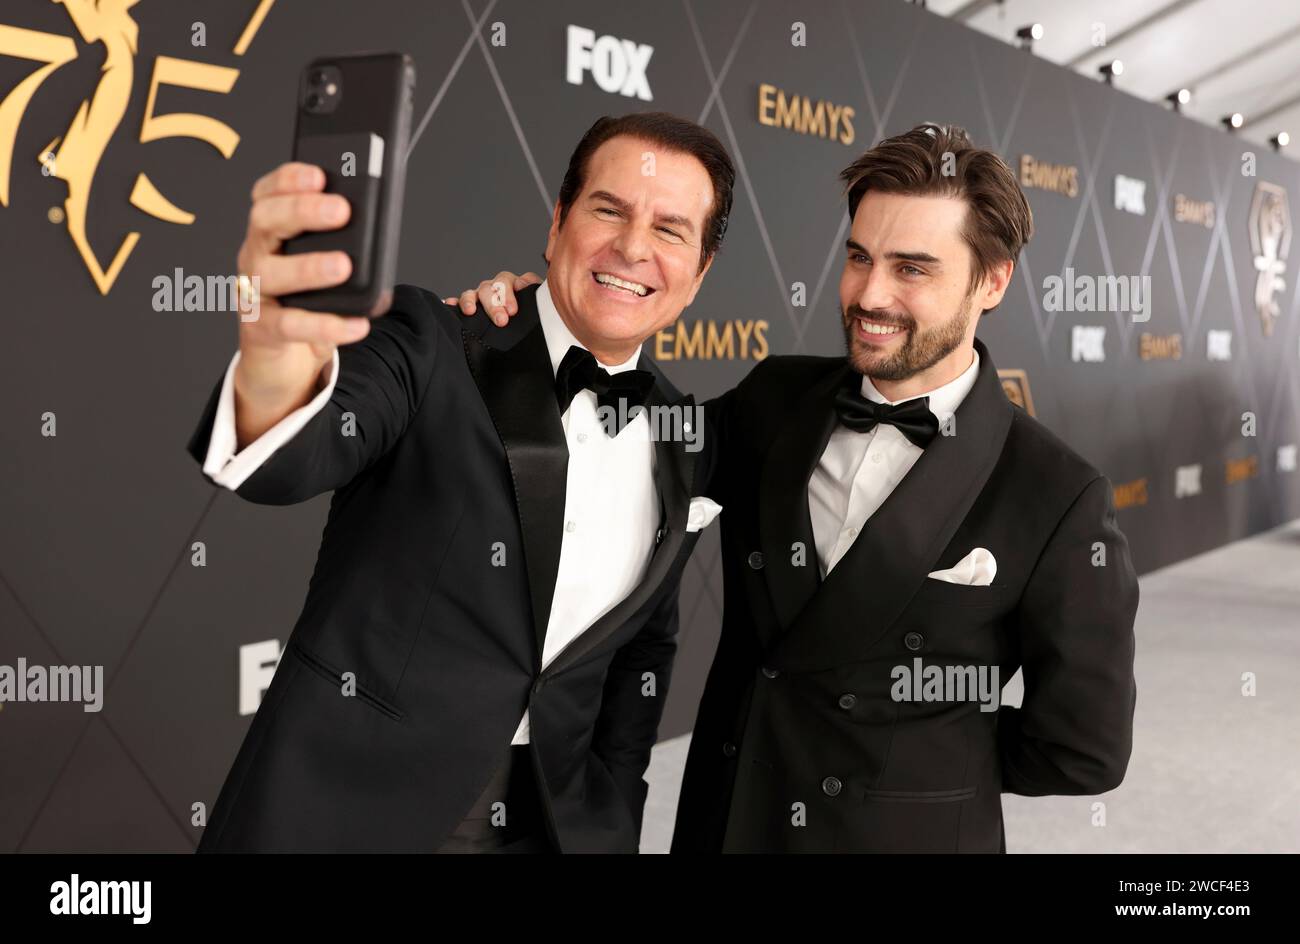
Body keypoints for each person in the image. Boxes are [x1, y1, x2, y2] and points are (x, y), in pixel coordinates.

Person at [450, 123, 1139, 853]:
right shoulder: (773, 399)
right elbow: (627, 428)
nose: (870, 294)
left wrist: (929, 756)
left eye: (912, 269)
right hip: (727, 825)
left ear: (991, 280)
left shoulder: (1058, 495)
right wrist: (537, 321)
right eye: (858, 258)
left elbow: (1082, 748)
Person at [186, 112, 734, 852]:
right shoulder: (433, 338)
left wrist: (611, 821)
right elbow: (290, 458)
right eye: (609, 209)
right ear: (558, 222)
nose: (633, 247)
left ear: (698, 275)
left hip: (552, 824)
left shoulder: (680, 432)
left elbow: (641, 653)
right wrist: (274, 362)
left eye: (670, 229)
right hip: (348, 811)